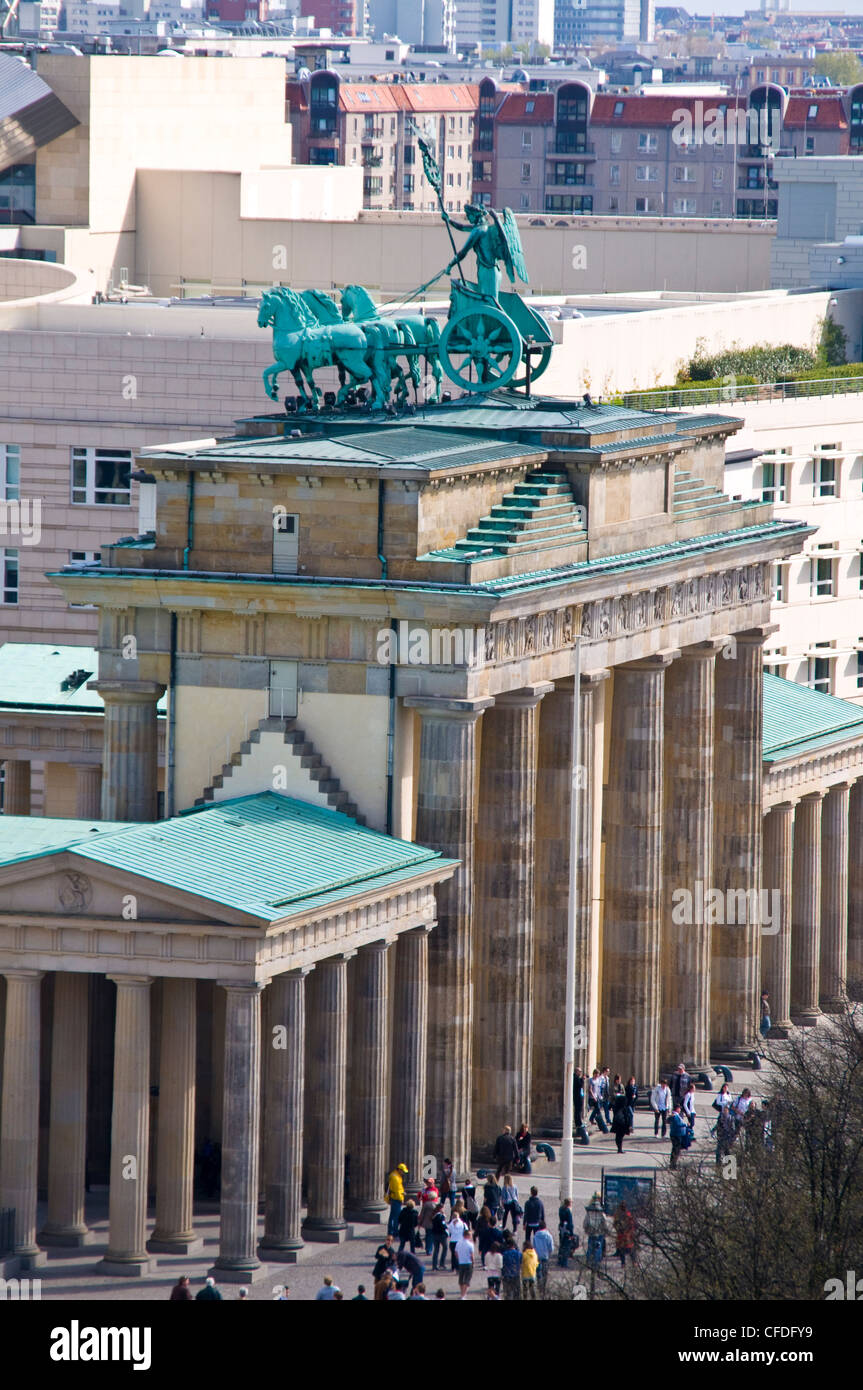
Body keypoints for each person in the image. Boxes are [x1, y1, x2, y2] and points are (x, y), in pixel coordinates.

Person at [583, 1194, 609, 1267]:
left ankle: (588, 1261)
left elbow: (585, 1223)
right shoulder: (601, 1214)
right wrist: (606, 1231)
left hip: (591, 1233)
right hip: (599, 1233)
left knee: (590, 1247)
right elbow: (605, 1223)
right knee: (598, 1248)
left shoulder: (589, 1214)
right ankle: (597, 1262)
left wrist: (586, 1230)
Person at [386, 1162, 408, 1237]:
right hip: (396, 1199)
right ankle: (394, 1232)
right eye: (403, 1171)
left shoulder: (396, 1175)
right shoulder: (395, 1177)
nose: (403, 1173)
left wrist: (402, 1192)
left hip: (395, 1198)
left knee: (393, 1216)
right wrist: (401, 1199)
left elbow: (398, 1189)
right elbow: (397, 1190)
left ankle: (391, 1231)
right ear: (399, 1170)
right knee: (396, 1217)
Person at [613, 1202, 636, 1268]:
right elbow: (632, 1224)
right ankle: (633, 1262)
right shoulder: (628, 1215)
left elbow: (615, 1224)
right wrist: (631, 1231)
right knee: (630, 1248)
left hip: (621, 1235)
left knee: (622, 1249)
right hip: (627, 1234)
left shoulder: (618, 1215)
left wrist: (618, 1230)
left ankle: (623, 1264)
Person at [533, 1220, 554, 1291]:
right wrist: (549, 1252)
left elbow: (534, 1246)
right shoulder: (548, 1236)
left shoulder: (535, 1236)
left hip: (537, 1256)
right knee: (545, 1272)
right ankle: (544, 1287)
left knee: (538, 1272)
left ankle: (539, 1286)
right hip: (545, 1256)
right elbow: (551, 1248)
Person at [455, 1228, 475, 1299]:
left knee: (461, 1279)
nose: (471, 1236)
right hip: (468, 1262)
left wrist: (459, 1258)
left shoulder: (458, 1243)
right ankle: (463, 1295)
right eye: (470, 1235)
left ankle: (462, 1293)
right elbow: (472, 1255)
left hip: (461, 1262)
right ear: (467, 1236)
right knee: (467, 1280)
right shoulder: (470, 1244)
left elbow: (456, 1253)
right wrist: (473, 1262)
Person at [419, 1184, 438, 1254]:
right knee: (432, 1236)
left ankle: (428, 1248)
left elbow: (422, 1214)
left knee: (428, 1235)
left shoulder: (426, 1204)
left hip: (427, 1222)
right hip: (434, 1222)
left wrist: (420, 1222)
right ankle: (430, 1248)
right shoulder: (437, 1205)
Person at [501, 1235, 522, 1300]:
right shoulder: (519, 1254)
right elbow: (521, 1263)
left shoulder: (504, 1254)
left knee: (507, 1294)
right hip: (516, 1274)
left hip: (506, 1275)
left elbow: (502, 1265)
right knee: (517, 1294)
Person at [669, 1103, 689, 1168]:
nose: (680, 1109)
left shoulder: (676, 1115)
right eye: (679, 1108)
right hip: (676, 1134)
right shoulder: (674, 1115)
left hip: (678, 1134)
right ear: (677, 1109)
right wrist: (685, 1125)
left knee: (677, 1149)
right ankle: (673, 1164)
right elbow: (677, 1124)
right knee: (676, 1150)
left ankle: (673, 1163)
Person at [558, 1197, 576, 1268]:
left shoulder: (560, 1209)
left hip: (561, 1228)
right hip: (567, 1230)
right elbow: (570, 1223)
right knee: (566, 1247)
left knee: (561, 1245)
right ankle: (564, 1263)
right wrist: (571, 1233)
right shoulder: (568, 1211)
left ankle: (560, 1260)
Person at [447, 1206, 467, 1271]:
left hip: (453, 1240)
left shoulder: (450, 1224)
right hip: (460, 1240)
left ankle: (453, 1267)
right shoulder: (463, 1224)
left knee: (453, 1255)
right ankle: (459, 1267)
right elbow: (466, 1230)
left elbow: (449, 1232)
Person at [430, 1204, 449, 1270]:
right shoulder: (441, 1216)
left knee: (436, 1250)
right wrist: (447, 1228)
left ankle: (434, 1265)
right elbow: (443, 1225)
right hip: (441, 1234)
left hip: (434, 1234)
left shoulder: (433, 1216)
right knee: (445, 1248)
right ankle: (442, 1263)